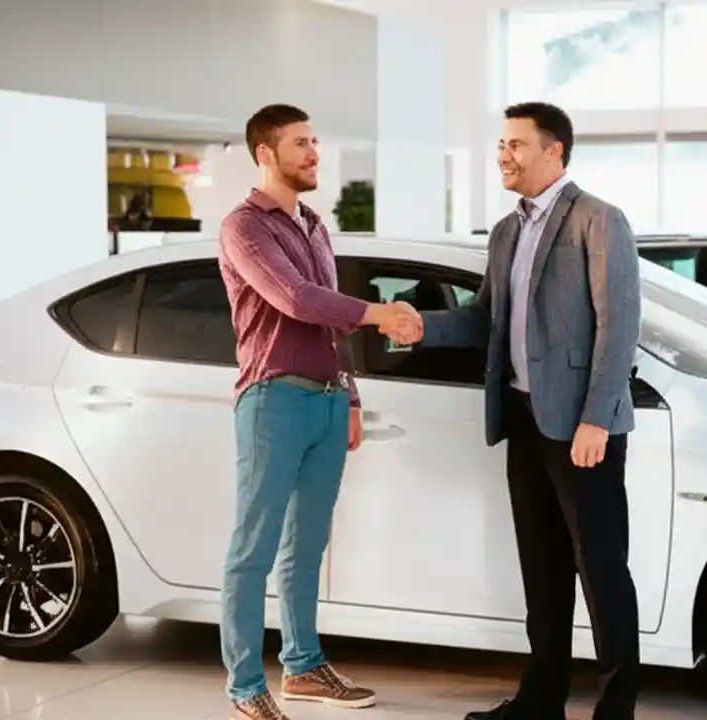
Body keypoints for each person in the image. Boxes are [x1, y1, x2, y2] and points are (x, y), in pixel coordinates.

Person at [387, 101, 643, 720]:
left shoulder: (598, 220)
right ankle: (540, 702)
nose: (503, 155)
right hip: (524, 421)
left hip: (581, 428)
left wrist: (597, 418)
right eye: (500, 144)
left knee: (602, 572)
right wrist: (422, 325)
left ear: (554, 151)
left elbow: (619, 325)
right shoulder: (507, 232)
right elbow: (486, 321)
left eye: (516, 144)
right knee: (543, 571)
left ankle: (616, 709)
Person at [217, 103, 414, 720]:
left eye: (315, 141)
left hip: (327, 403)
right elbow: (297, 300)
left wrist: (350, 394)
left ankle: (302, 668)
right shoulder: (243, 227)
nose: (313, 153)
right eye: (300, 143)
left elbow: (330, 322)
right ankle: (246, 686)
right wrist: (383, 313)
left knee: (306, 548)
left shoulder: (315, 226)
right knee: (253, 550)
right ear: (265, 154)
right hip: (272, 399)